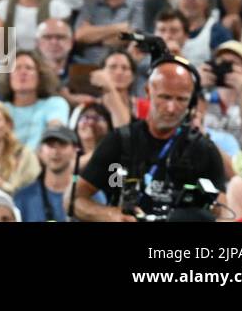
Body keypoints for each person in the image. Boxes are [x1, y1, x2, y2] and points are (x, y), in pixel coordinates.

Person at [75, 59, 227, 221]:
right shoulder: (120, 140)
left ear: (192, 101)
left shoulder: (203, 149)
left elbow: (224, 213)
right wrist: (110, 215)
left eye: (181, 99)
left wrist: (209, 208)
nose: (171, 108)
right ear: (148, 91)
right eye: (165, 97)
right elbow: (74, 200)